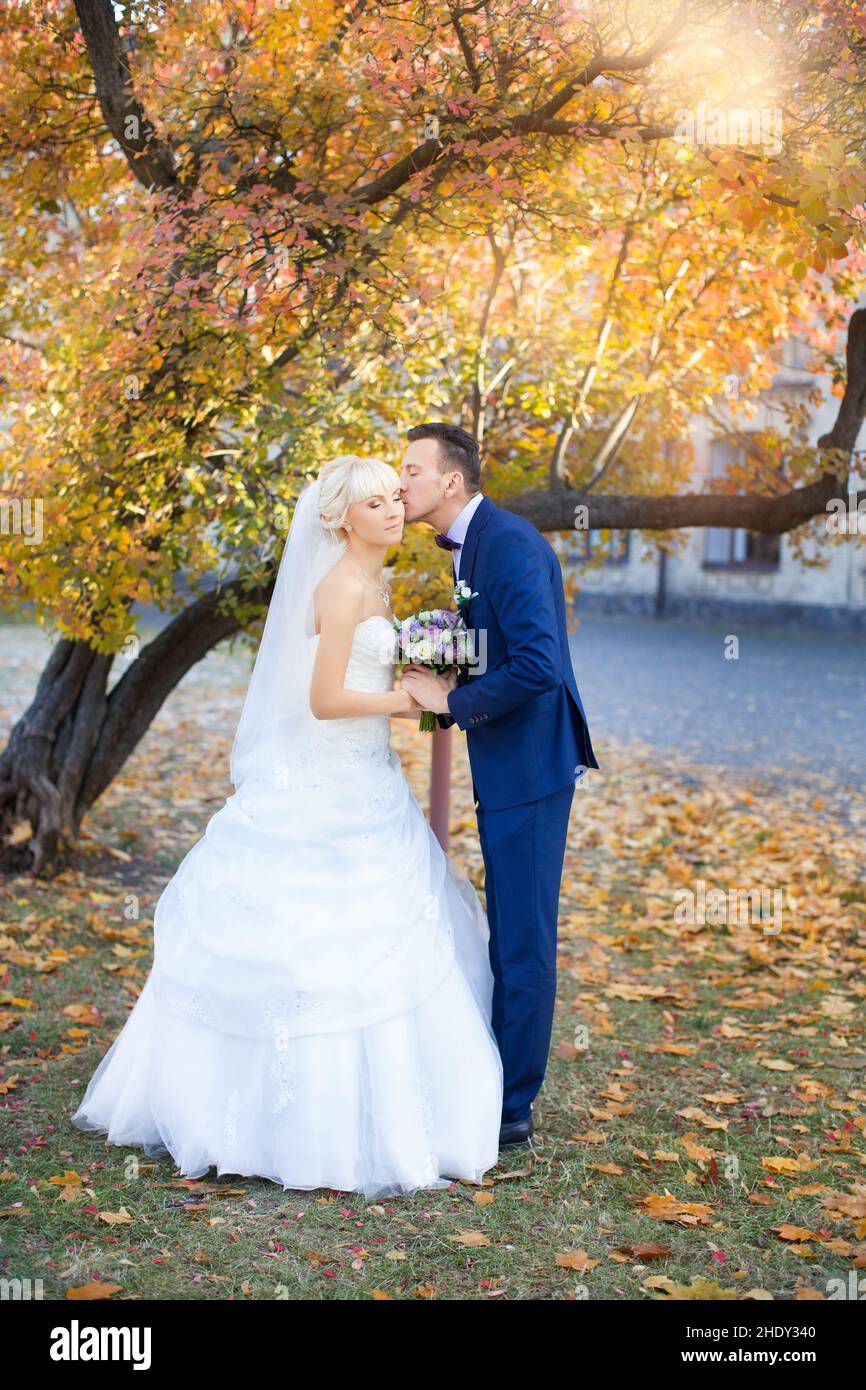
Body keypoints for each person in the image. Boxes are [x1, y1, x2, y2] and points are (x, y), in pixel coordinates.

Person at [70, 455, 503, 1201]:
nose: (394, 511)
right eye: (373, 505)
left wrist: (429, 672)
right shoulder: (339, 587)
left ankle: (377, 1117)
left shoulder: (374, 583)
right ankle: (281, 1127)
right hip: (327, 784)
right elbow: (326, 700)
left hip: (367, 784)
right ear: (339, 521)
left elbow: (373, 674)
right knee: (312, 948)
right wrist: (408, 700)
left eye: (394, 499)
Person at [399, 424, 599, 1147]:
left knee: (522, 936)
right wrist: (452, 659)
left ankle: (511, 1105)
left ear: (452, 481)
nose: (401, 484)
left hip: (531, 767)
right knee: (510, 926)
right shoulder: (476, 546)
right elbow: (509, 648)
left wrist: (452, 703)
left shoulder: (508, 543)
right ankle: (501, 1082)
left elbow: (541, 663)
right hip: (510, 761)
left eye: (412, 470)